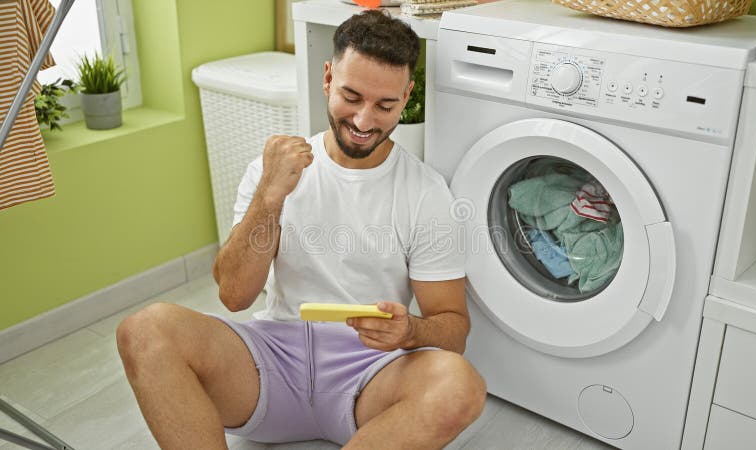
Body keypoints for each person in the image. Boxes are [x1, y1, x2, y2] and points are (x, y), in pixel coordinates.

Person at [116, 9, 486, 450]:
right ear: (328, 78)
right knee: (145, 329)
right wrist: (271, 196)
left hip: (371, 374)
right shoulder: (272, 171)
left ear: (406, 96)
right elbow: (234, 296)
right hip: (270, 364)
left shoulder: (426, 193)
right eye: (351, 96)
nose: (365, 121)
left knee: (460, 385)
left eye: (385, 105)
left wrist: (411, 333)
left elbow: (453, 329)